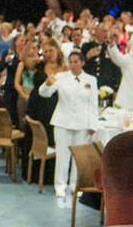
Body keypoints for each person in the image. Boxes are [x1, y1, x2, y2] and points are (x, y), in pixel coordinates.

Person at [38, 50, 98, 207]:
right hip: (62, 122)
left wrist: (93, 125)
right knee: (63, 155)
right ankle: (60, 185)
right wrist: (48, 83)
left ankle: (75, 185)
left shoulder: (91, 80)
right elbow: (44, 93)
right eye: (71, 61)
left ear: (82, 62)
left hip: (82, 123)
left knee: (78, 156)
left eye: (76, 61)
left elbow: (93, 104)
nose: (73, 64)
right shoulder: (61, 77)